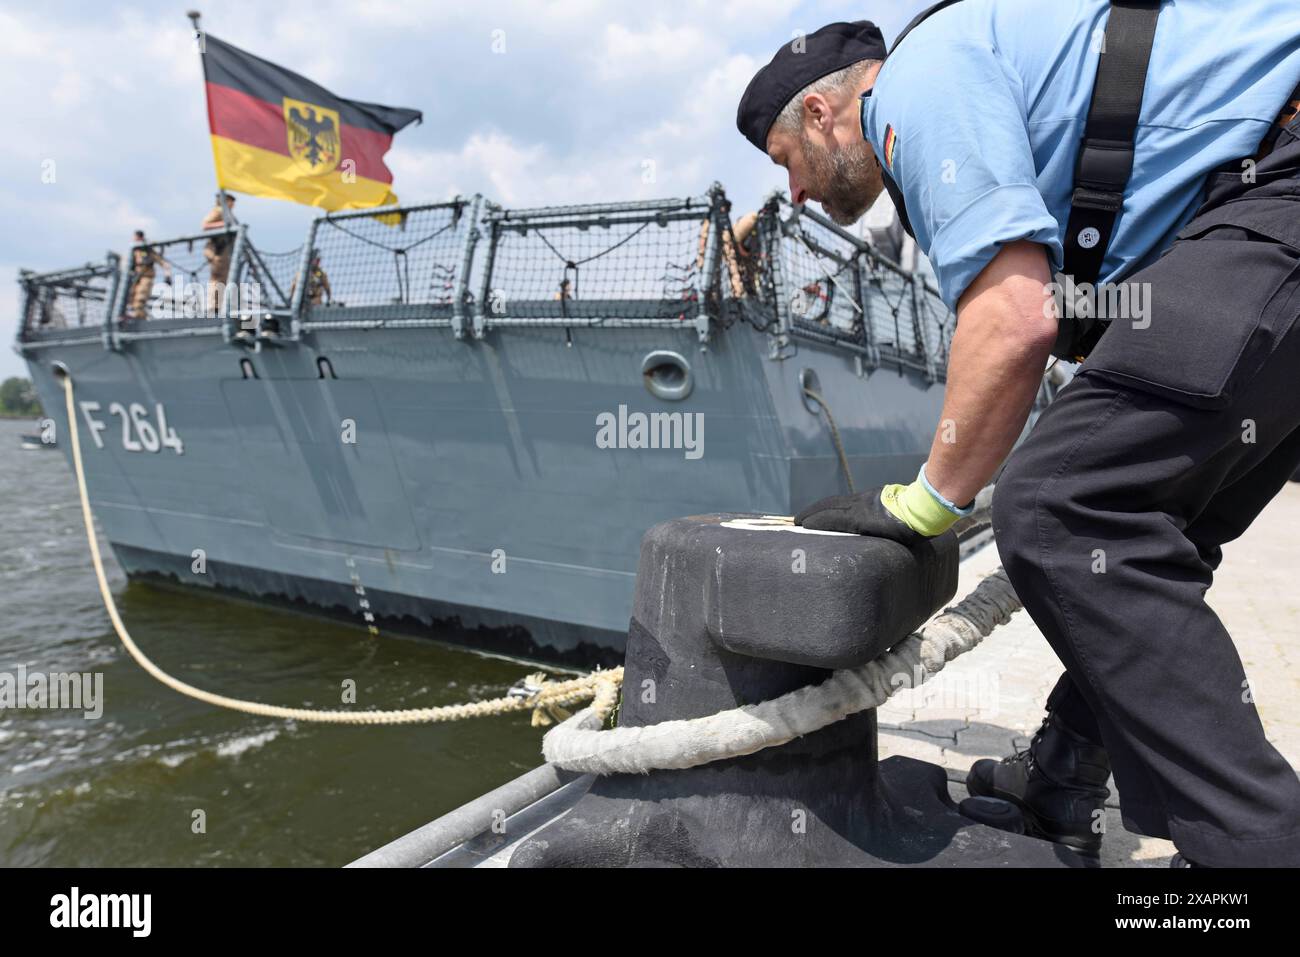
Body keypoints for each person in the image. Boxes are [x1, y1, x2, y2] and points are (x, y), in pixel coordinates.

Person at [736, 4, 1300, 867]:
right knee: (1150, 519)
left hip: (1282, 190)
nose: (796, 194)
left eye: (787, 165)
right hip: (1258, 218)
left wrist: (927, 503)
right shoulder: (971, 81)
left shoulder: (915, 90)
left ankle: (1254, 857)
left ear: (821, 114)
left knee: (1058, 504)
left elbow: (1013, 317)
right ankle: (1063, 783)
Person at [123, 230, 171, 320]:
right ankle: (140, 316)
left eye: (136, 238)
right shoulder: (134, 251)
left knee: (140, 297)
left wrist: (167, 276)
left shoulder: (149, 250)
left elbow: (164, 264)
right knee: (130, 297)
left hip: (146, 277)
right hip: (136, 278)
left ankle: (138, 316)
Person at [201, 193, 236, 315]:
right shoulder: (219, 211)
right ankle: (214, 306)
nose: (233, 204)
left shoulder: (227, 214)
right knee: (217, 279)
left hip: (225, 251)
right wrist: (224, 225)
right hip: (218, 250)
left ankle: (219, 305)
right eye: (231, 201)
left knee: (223, 279)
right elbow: (205, 225)